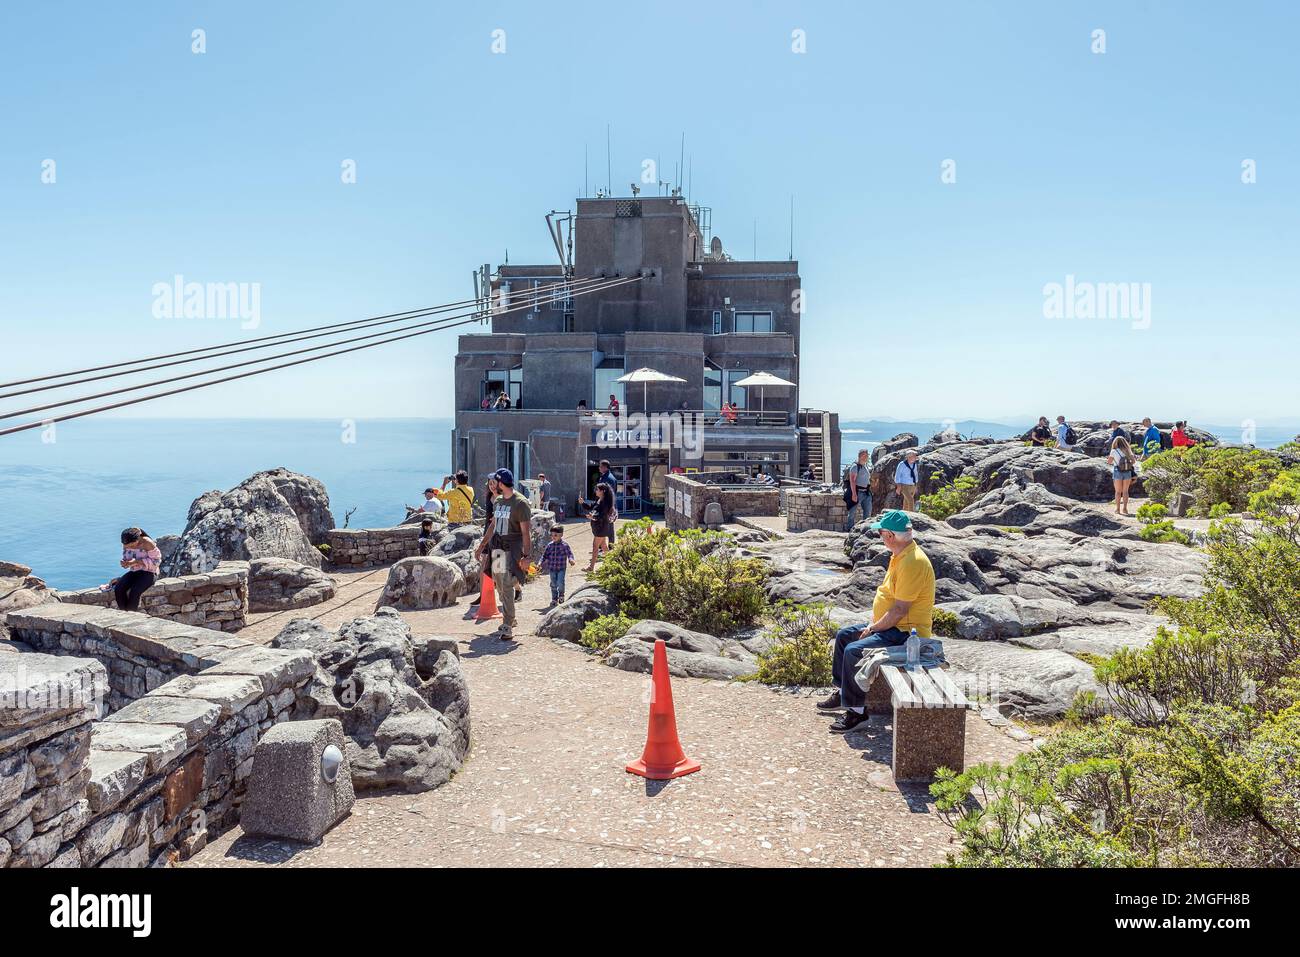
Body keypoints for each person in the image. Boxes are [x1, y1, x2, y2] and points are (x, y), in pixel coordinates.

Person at [818, 510, 935, 733]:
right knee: (844, 636)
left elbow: (900, 610)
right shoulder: (900, 555)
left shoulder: (913, 562)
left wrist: (873, 628)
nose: (880, 537)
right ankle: (844, 693)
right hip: (892, 627)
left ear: (890, 535)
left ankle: (857, 713)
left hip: (906, 634)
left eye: (881, 533)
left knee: (854, 650)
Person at [474, 468, 532, 640]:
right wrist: (482, 546)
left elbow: (525, 533)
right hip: (498, 548)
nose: (492, 486)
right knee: (500, 583)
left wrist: (527, 556)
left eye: (494, 482)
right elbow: (493, 526)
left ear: (500, 483)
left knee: (505, 584)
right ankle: (515, 588)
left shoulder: (520, 503)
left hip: (512, 547)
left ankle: (507, 623)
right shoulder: (498, 501)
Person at [113, 527, 162, 612]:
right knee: (119, 589)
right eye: (126, 545)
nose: (127, 547)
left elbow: (157, 561)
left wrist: (136, 562)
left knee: (135, 591)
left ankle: (131, 615)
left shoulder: (147, 543)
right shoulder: (126, 543)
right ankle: (124, 613)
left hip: (149, 572)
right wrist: (125, 563)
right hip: (135, 571)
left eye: (131, 545)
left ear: (137, 540)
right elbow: (127, 558)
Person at [540, 525, 576, 606]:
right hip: (552, 568)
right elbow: (544, 555)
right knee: (553, 584)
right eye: (552, 535)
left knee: (560, 583)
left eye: (555, 535)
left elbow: (569, 554)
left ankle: (561, 595)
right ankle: (554, 599)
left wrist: (571, 559)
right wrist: (540, 563)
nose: (553, 537)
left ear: (561, 535)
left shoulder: (564, 545)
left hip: (561, 568)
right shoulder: (550, 545)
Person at [586, 482, 615, 570]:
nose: (596, 491)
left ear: (603, 491)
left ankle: (591, 567)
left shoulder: (605, 502)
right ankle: (612, 565)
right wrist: (582, 503)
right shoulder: (599, 500)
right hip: (599, 527)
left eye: (597, 490)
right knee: (604, 547)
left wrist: (593, 517)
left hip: (601, 527)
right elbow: (591, 507)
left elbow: (603, 515)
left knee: (595, 547)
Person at [1108, 436, 1137, 515]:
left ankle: (1117, 509)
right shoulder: (1128, 450)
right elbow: (1133, 461)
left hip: (1117, 471)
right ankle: (1125, 508)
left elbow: (1109, 462)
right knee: (1125, 491)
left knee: (1118, 492)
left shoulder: (1114, 451)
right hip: (1127, 472)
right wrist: (1127, 465)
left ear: (1115, 443)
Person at [843, 448, 872, 524]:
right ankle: (850, 528)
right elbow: (852, 481)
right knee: (852, 512)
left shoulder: (865, 465)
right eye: (866, 455)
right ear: (861, 456)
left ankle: (865, 527)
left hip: (866, 492)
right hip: (857, 492)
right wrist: (854, 494)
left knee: (868, 511)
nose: (867, 457)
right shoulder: (855, 467)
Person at [595, 459, 618, 544]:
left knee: (609, 526)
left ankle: (610, 545)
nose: (599, 468)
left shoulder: (608, 478)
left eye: (600, 466)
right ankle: (603, 545)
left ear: (605, 467)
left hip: (607, 506)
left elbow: (610, 494)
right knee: (604, 525)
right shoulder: (605, 476)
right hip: (606, 505)